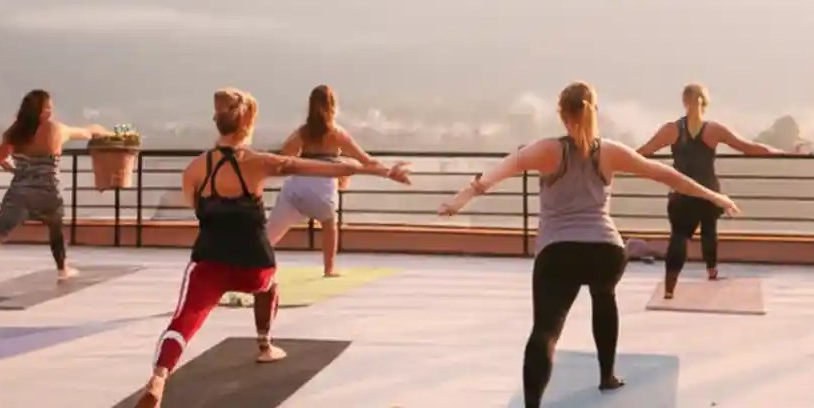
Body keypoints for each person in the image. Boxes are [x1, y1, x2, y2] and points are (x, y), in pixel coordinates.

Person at [437, 82, 741, 408]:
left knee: (546, 331)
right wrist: (715, 196)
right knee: (604, 297)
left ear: (562, 115)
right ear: (594, 110)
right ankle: (607, 376)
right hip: (605, 251)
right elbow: (666, 175)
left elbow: (497, 172)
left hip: (558, 252)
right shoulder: (608, 151)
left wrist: (461, 200)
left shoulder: (548, 150)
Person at [133, 88, 411, 408]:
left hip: (209, 261)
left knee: (183, 322)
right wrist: (386, 170)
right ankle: (265, 345)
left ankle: (159, 377)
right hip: (254, 263)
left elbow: (197, 209)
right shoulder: (259, 162)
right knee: (268, 285)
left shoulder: (194, 169)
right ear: (248, 123)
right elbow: (333, 167)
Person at [635, 83, 781, 297]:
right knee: (709, 230)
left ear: (685, 102)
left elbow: (643, 152)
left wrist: (610, 162)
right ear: (705, 102)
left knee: (679, 237)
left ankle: (669, 288)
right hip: (709, 193)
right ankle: (712, 272)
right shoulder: (713, 130)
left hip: (681, 194)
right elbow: (748, 148)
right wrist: (779, 152)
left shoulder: (672, 130)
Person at [0, 90, 109, 308]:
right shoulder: (56, 129)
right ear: (42, 111)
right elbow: (84, 132)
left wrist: (12, 168)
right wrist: (101, 131)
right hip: (48, 193)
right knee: (55, 227)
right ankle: (63, 268)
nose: (51, 111)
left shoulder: (14, 133)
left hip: (20, 192)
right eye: (49, 107)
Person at [265, 85, 376, 277]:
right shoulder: (337, 134)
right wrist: (384, 170)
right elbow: (365, 159)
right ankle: (329, 268)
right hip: (323, 192)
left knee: (268, 235)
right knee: (329, 225)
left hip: (296, 189)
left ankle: (245, 264)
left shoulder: (303, 133)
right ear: (333, 106)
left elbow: (284, 156)